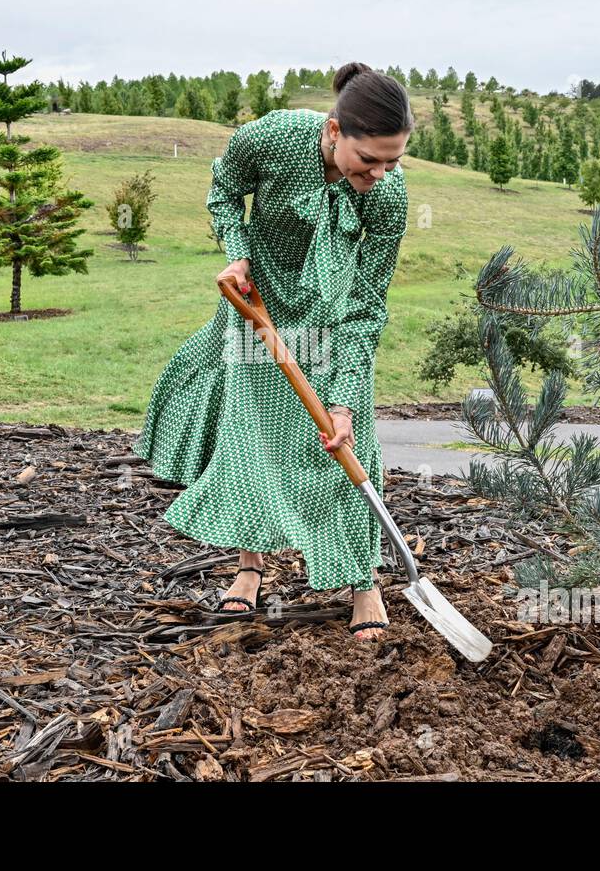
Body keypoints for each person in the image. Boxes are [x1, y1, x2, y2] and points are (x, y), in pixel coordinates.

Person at [133, 62, 413, 641]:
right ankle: (250, 566)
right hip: (258, 302)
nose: (381, 174)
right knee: (253, 435)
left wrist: (344, 404)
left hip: (333, 313)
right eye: (370, 160)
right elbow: (224, 189)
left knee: (342, 448)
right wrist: (236, 253)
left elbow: (368, 304)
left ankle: (364, 582)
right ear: (335, 132)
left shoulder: (388, 195)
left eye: (394, 161)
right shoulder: (271, 137)